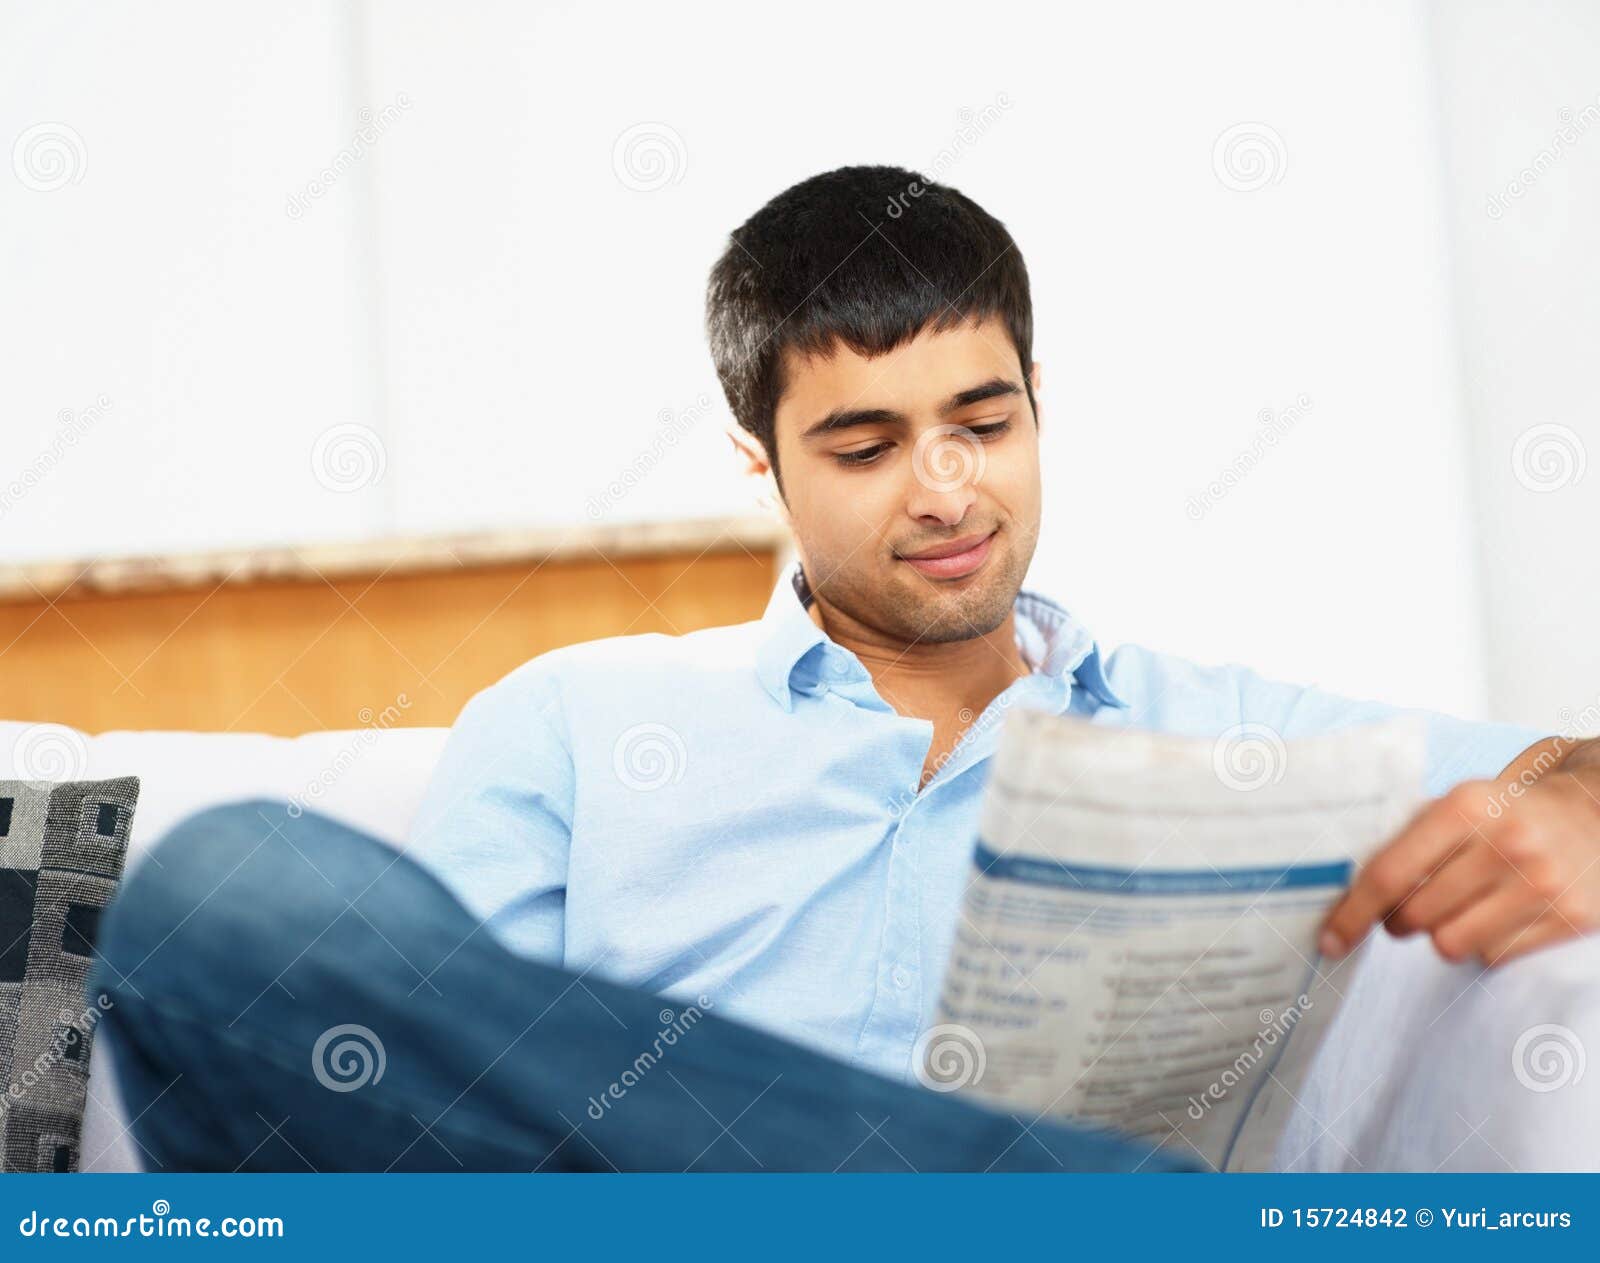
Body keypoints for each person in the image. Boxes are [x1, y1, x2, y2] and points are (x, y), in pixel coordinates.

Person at [95, 165, 1600, 1172]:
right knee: (223, 891)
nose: (944, 491)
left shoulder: (1226, 730)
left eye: (983, 422)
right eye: (866, 446)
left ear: (1036, 406)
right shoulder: (578, 718)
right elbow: (453, 1102)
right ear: (760, 461)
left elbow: (1564, 764)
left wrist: (1573, 806)